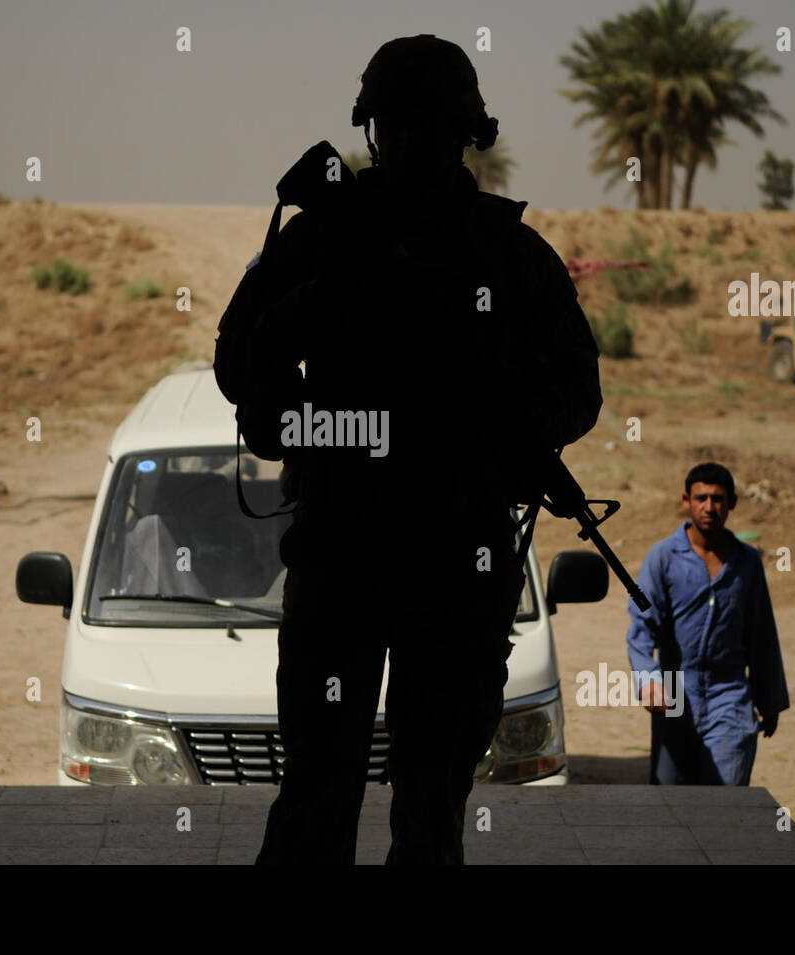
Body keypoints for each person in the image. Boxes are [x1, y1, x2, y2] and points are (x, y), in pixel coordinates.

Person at [213, 34, 601, 864]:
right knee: (319, 799)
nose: (410, 140)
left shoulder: (509, 253)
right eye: (397, 122)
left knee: (428, 812)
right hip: (346, 553)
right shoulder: (324, 241)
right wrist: (318, 373)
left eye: (427, 123)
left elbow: (577, 393)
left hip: (452, 565)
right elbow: (240, 365)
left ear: (463, 130)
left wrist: (498, 428)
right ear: (373, 128)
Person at [625, 463, 789, 785]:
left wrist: (769, 700)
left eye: (717, 499)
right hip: (673, 694)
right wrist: (649, 680)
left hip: (729, 695)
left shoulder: (747, 564)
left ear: (732, 503)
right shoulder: (663, 557)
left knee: (723, 805)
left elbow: (762, 635)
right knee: (669, 804)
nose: (709, 508)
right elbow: (641, 627)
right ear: (686, 500)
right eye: (701, 498)